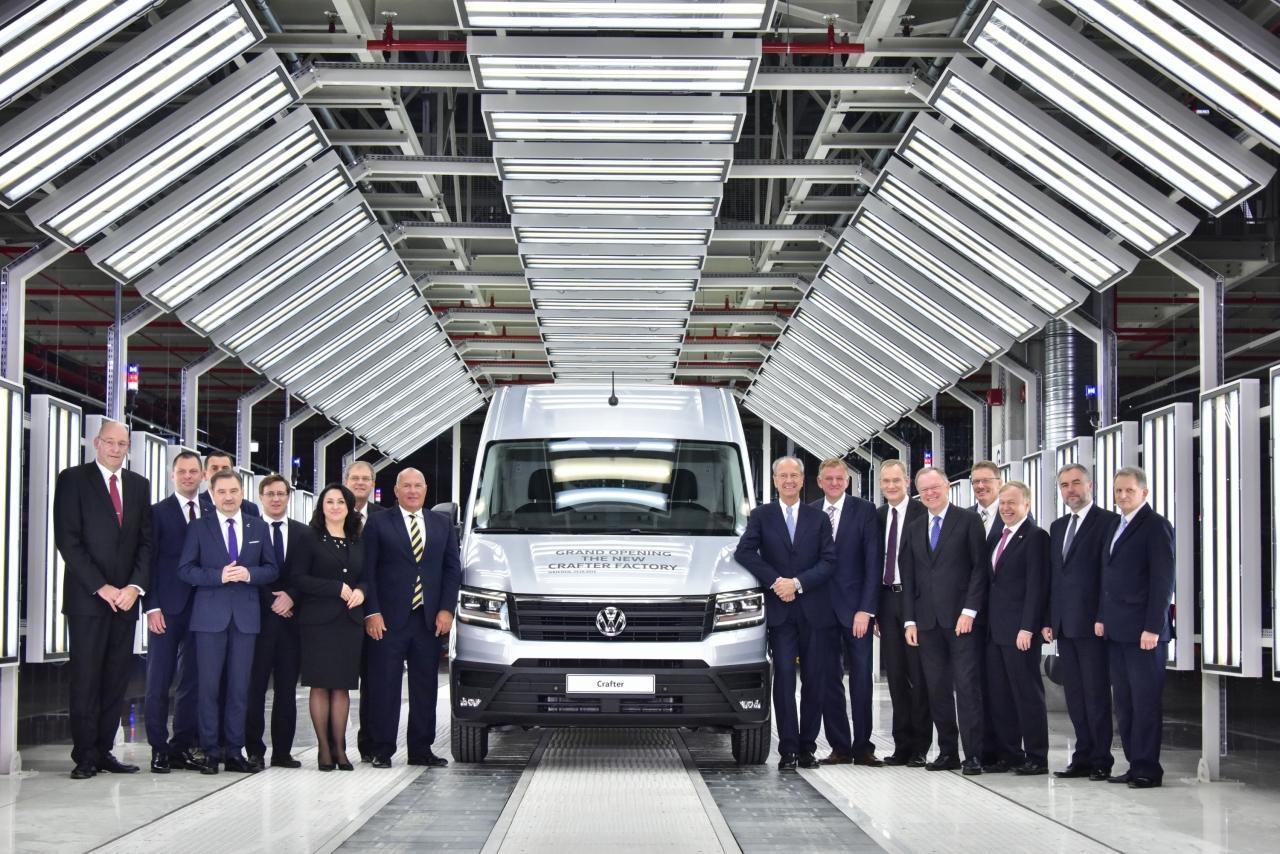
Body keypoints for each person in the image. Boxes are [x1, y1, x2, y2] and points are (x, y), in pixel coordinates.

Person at [53, 419, 153, 780]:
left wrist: (133, 588)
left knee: (115, 679)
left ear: (128, 447)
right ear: (96, 443)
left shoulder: (139, 486)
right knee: (86, 678)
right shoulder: (73, 479)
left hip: (126, 602)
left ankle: (105, 750)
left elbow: (146, 543)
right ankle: (85, 755)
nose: (115, 449)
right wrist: (103, 587)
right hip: (88, 600)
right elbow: (68, 540)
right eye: (109, 442)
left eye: (122, 444)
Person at [734, 456, 836, 771]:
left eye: (794, 475)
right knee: (784, 682)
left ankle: (808, 748)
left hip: (813, 612)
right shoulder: (761, 516)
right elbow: (744, 552)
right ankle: (788, 750)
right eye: (783, 476)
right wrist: (776, 581)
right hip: (780, 615)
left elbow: (829, 561)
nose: (789, 481)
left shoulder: (818, 519)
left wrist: (798, 583)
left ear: (803, 480)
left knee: (814, 682)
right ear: (775, 481)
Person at [178, 469, 278, 774]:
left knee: (239, 688)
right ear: (212, 493)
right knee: (208, 688)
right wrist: (218, 576)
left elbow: (272, 569)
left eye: (234, 491)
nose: (229, 497)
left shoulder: (258, 526)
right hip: (209, 618)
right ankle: (210, 751)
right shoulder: (199, 528)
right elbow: (186, 569)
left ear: (242, 492)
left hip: (246, 619)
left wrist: (249, 574)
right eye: (222, 492)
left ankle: (234, 751)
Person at [363, 468, 461, 768]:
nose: (412, 490)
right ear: (396, 490)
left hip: (428, 620)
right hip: (388, 619)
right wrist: (372, 611)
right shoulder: (379, 522)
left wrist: (446, 609)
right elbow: (367, 570)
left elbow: (451, 569)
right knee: (385, 685)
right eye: (406, 485)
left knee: (425, 686)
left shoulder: (441, 524)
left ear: (426, 489)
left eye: (418, 485)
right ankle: (382, 749)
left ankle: (421, 749)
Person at [900, 466, 988, 775]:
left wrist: (970, 611)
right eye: (924, 490)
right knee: (936, 689)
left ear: (947, 486)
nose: (930, 493)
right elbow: (908, 577)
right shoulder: (913, 528)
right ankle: (948, 751)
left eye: (935, 487)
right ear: (918, 493)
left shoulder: (968, 520)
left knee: (966, 688)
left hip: (961, 620)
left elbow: (980, 569)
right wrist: (909, 621)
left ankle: (974, 754)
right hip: (926, 623)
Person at [1097, 467, 1174, 789]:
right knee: (1125, 703)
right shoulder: (1116, 525)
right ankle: (1133, 762)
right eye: (1118, 491)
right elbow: (1108, 578)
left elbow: (1163, 581)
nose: (1123, 496)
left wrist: (1153, 627)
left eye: (1129, 491)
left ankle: (1147, 768)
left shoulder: (1156, 527)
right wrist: (1101, 616)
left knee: (1144, 702)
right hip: (1116, 630)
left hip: (1144, 633)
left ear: (1144, 493)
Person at [1042, 463, 1118, 781]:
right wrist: (1049, 619)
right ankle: (1082, 755)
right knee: (1074, 695)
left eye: (1076, 483)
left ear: (1091, 486)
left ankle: (1102, 757)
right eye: (1064, 485)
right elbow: (1054, 578)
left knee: (1096, 694)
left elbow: (1108, 577)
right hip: (1065, 627)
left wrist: (1103, 616)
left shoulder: (1108, 523)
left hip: (1092, 626)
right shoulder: (1058, 527)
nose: (1070, 490)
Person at [808, 459, 881, 767]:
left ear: (847, 481)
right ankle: (840, 746)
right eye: (829, 478)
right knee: (828, 680)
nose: (835, 483)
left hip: (856, 613)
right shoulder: (810, 511)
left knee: (862, 679)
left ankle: (863, 746)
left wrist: (867, 609)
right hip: (821, 612)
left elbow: (873, 563)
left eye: (840, 478)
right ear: (820, 481)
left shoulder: (864, 511)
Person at [296, 484, 367, 771]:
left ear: (349, 507)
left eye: (340, 501)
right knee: (321, 685)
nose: (335, 506)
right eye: (329, 501)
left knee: (342, 687)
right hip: (318, 622)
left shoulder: (357, 539)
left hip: (349, 623)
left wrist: (362, 590)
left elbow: (368, 575)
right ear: (321, 506)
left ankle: (341, 747)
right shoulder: (309, 538)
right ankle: (324, 749)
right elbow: (298, 578)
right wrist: (335, 588)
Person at [142, 450, 204, 773]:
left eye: (194, 471)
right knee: (159, 680)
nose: (188, 477)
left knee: (192, 682)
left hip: (203, 610)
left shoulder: (210, 511)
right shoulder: (157, 513)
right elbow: (147, 563)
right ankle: (158, 748)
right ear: (172, 475)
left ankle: (181, 746)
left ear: (203, 475)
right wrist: (150, 605)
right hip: (165, 609)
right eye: (182, 471)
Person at [984, 482, 1050, 775]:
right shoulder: (998, 537)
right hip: (995, 631)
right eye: (1003, 503)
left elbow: (1037, 586)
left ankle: (1037, 755)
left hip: (1020, 632)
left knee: (1027, 694)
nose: (1007, 508)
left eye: (1013, 503)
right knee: (1000, 695)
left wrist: (1028, 628)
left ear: (1027, 505)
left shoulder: (1035, 537)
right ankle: (1009, 753)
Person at [245, 474, 307, 769]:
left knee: (286, 691)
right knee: (254, 689)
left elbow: (305, 574)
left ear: (288, 496)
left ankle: (283, 751)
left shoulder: (302, 533)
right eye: (270, 493)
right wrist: (272, 600)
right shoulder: (250, 530)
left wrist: (291, 596)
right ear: (261, 497)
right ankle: (254, 750)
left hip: (291, 626)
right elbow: (247, 571)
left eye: (281, 493)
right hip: (257, 622)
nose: (276, 498)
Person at [875, 460, 931, 767]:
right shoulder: (879, 516)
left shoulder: (922, 513)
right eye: (887, 482)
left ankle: (920, 746)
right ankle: (901, 746)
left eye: (897, 480)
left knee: (918, 677)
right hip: (886, 601)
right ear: (881, 485)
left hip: (915, 604)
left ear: (907, 481)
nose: (892, 486)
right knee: (894, 677)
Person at [345, 460, 386, 762]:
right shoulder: (331, 513)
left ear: (372, 483)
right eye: (354, 477)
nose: (360, 482)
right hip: (339, 611)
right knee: (337, 681)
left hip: (373, 610)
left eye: (365, 478)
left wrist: (373, 607)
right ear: (346, 480)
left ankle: (369, 744)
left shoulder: (385, 518)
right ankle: (333, 746)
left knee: (374, 682)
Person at [199, 452, 260, 517]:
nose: (220, 472)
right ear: (205, 475)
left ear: (233, 473)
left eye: (225, 468)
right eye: (214, 468)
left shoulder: (250, 509)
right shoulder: (196, 505)